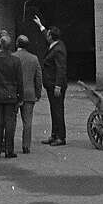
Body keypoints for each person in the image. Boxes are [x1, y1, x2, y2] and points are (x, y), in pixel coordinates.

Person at [34, 16, 67, 146]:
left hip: (55, 85)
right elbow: (46, 34)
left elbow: (61, 68)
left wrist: (58, 85)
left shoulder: (58, 50)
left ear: (51, 37)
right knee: (54, 110)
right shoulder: (56, 44)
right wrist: (40, 25)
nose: (46, 35)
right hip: (51, 84)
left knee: (58, 110)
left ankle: (61, 137)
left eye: (47, 34)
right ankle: (54, 135)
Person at [14, 34, 43, 154]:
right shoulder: (34, 58)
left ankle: (8, 144)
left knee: (11, 120)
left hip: (14, 94)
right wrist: (38, 92)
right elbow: (38, 77)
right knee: (28, 121)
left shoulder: (12, 57)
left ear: (17, 44)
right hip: (29, 93)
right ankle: (26, 146)